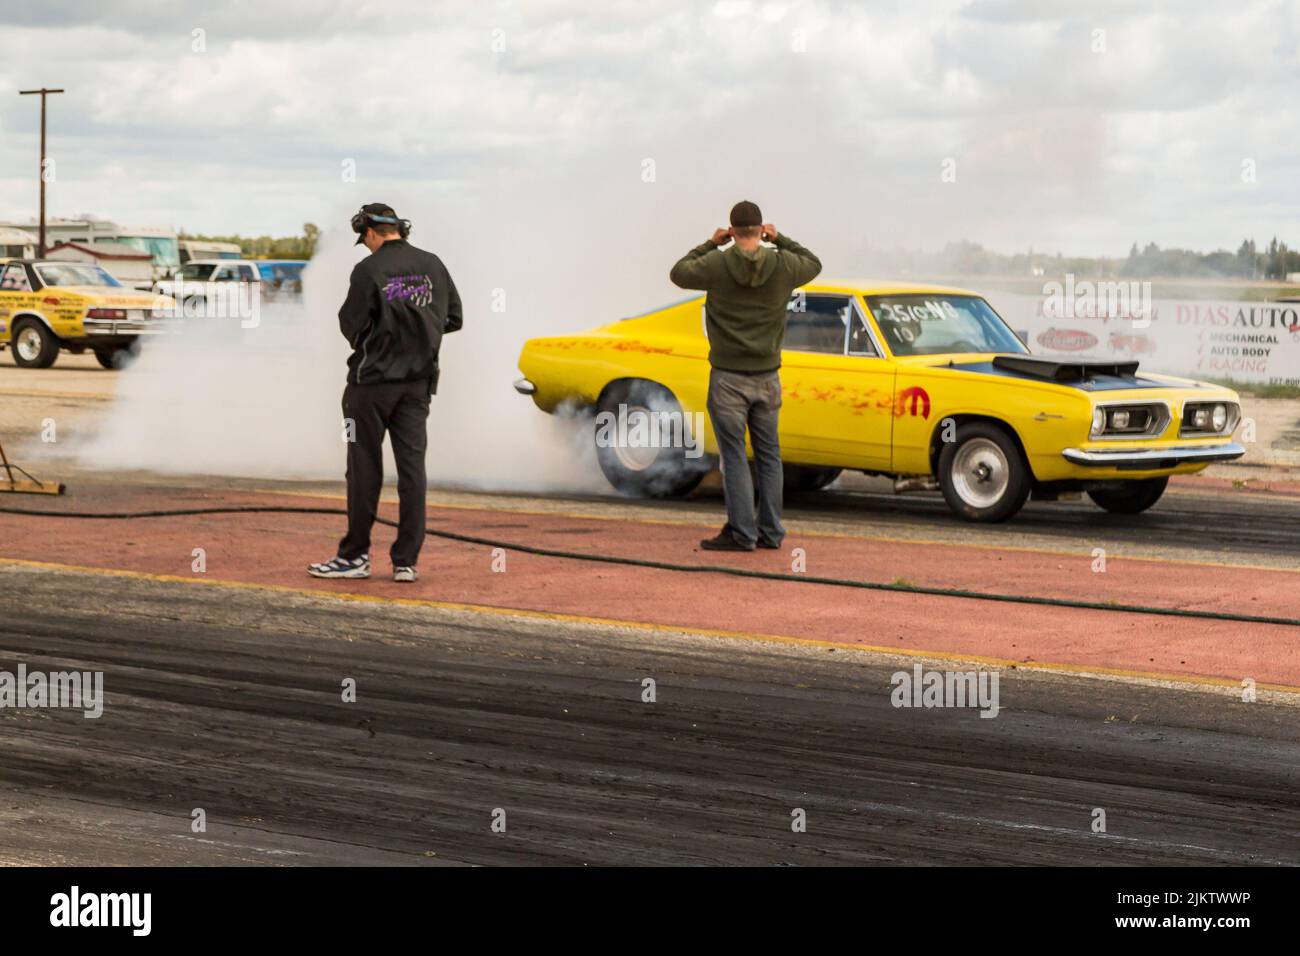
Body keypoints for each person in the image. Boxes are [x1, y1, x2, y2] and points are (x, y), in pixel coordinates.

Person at [308, 203, 462, 582]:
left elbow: (350, 325)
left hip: (368, 387)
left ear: (372, 231)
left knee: (362, 469)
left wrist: (380, 344)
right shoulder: (433, 264)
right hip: (418, 387)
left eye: (365, 239)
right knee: (413, 472)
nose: (367, 246)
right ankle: (406, 562)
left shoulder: (368, 270)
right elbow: (453, 319)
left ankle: (354, 557)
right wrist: (417, 337)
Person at [669, 200, 821, 551]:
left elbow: (679, 272)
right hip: (768, 377)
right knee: (769, 456)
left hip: (727, 377)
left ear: (732, 229)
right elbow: (814, 263)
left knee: (734, 457)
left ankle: (742, 533)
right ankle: (771, 532)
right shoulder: (783, 264)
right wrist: (781, 239)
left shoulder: (716, 264)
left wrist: (712, 243)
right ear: (761, 229)